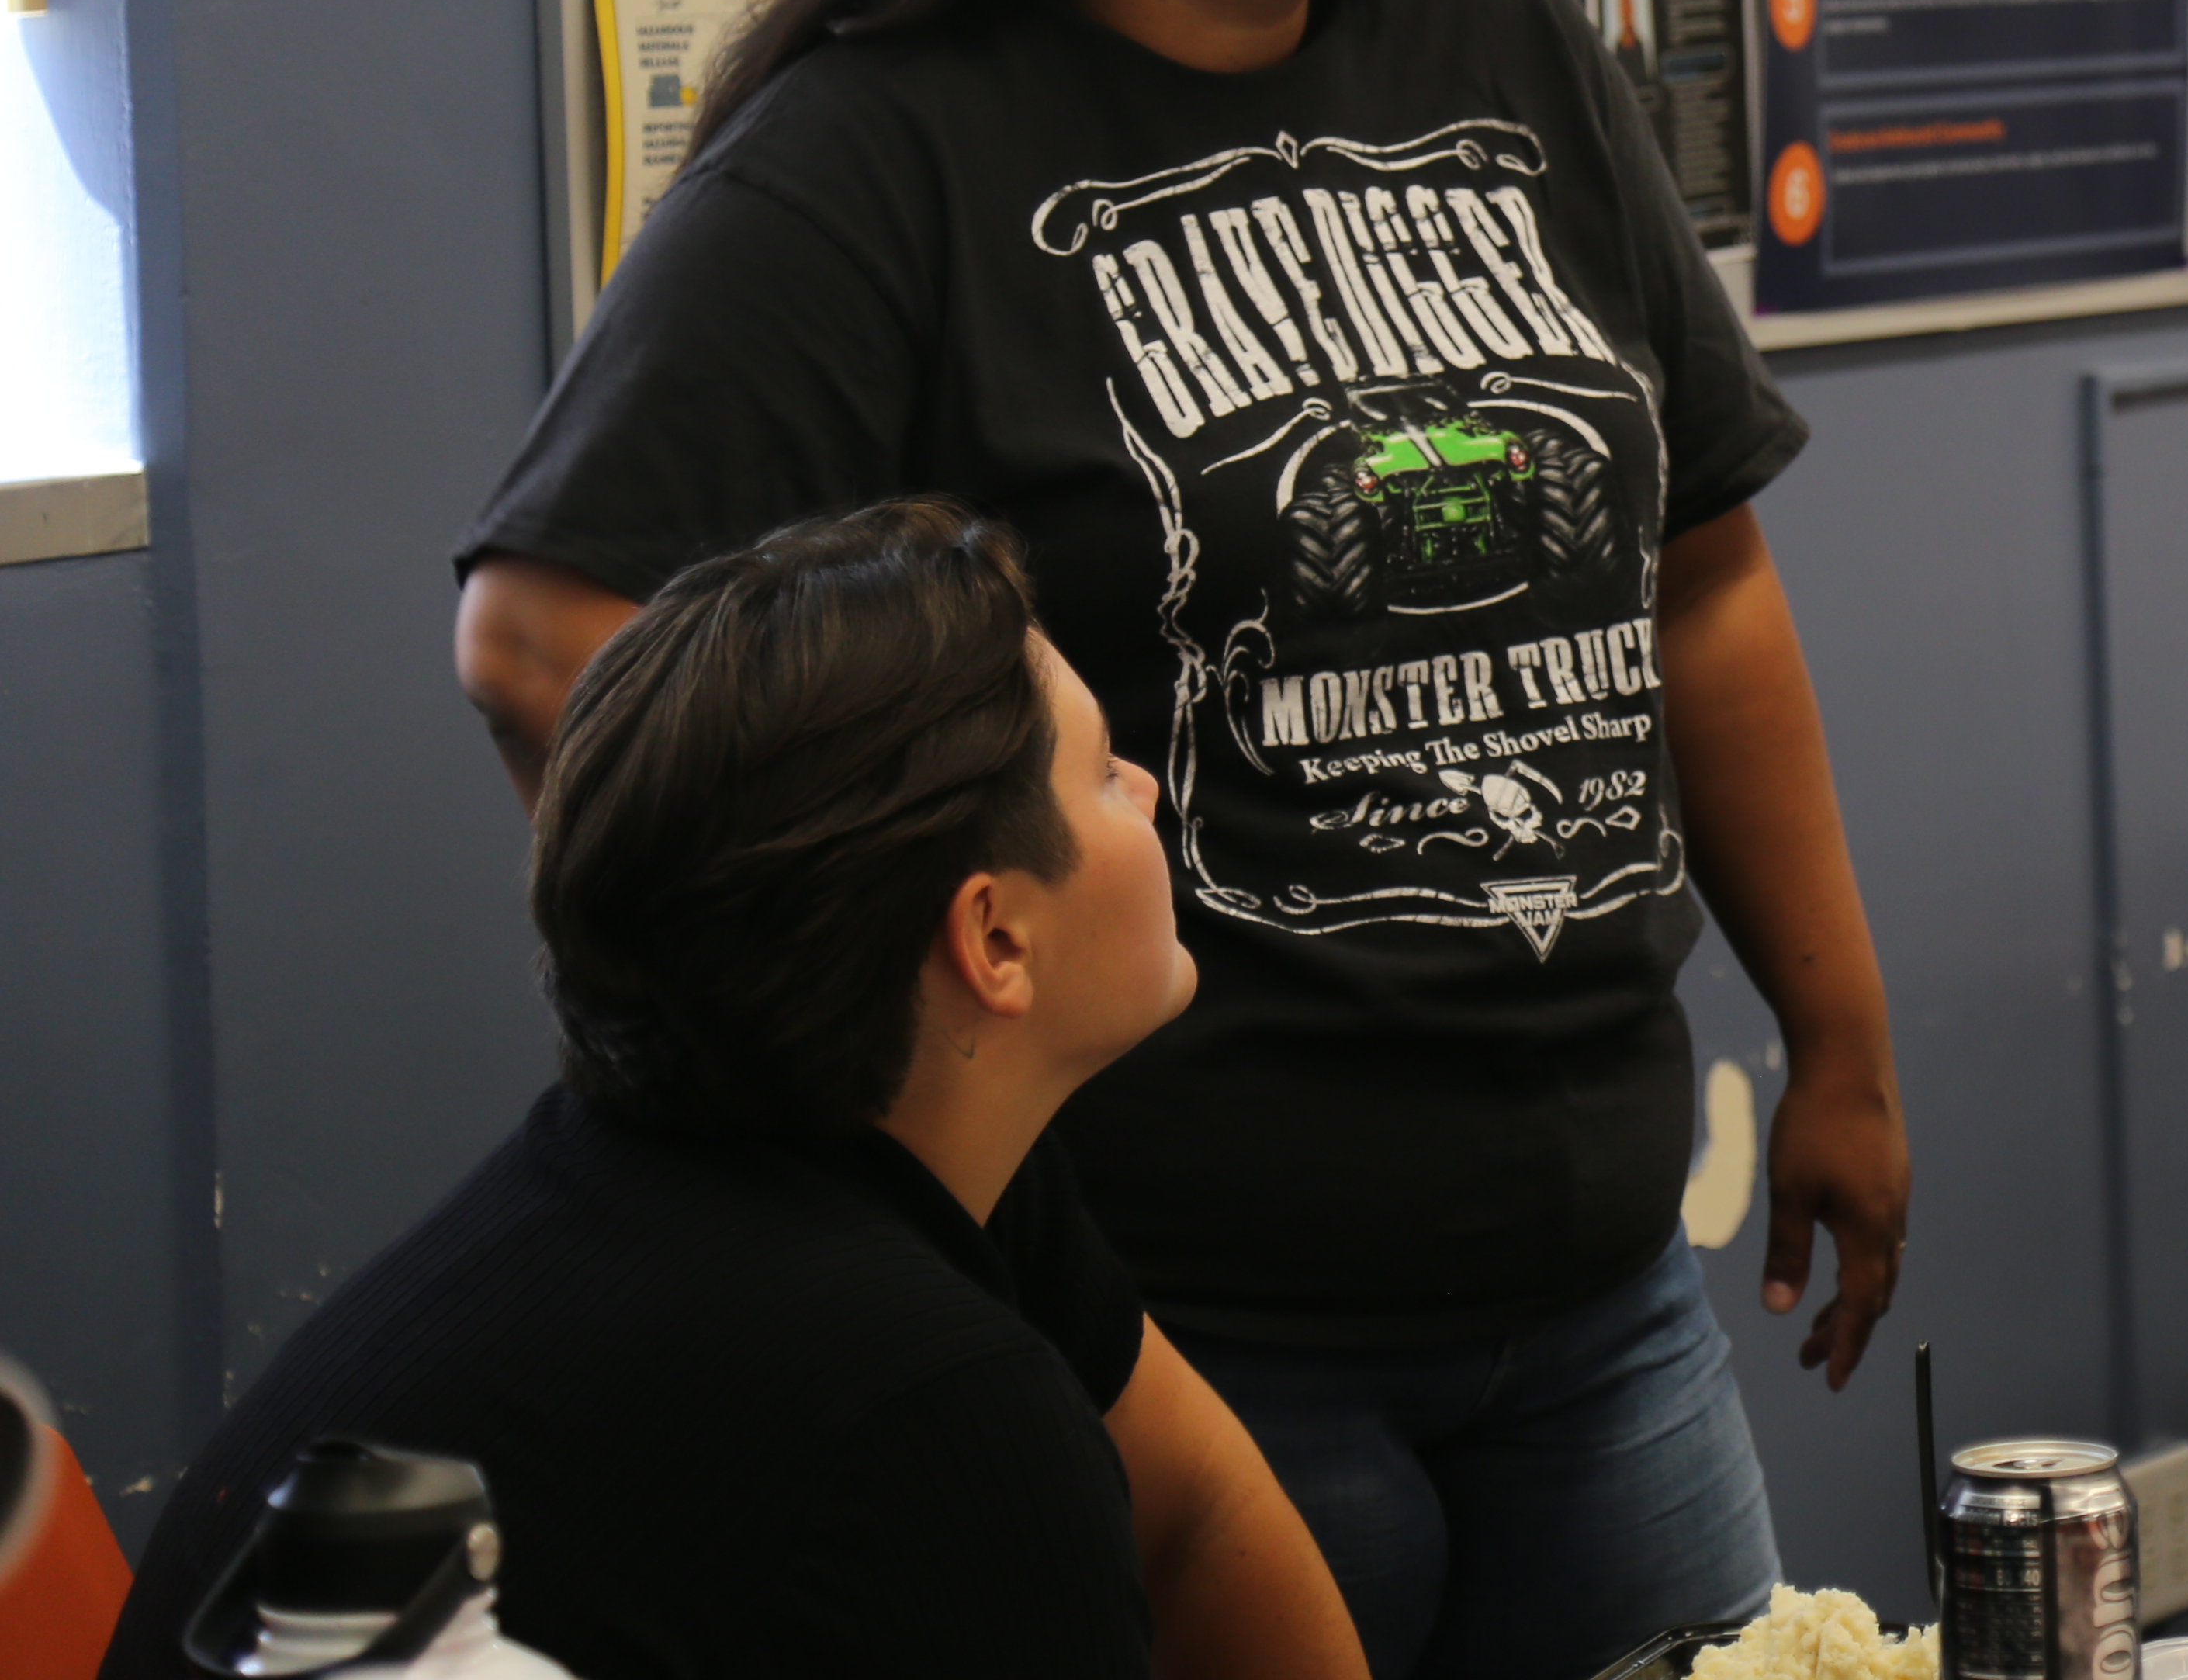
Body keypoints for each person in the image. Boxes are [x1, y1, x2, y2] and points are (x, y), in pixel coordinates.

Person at [449, 0, 1906, 1678]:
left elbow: (1700, 579)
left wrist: (1843, 1039)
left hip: (1601, 1289)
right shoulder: (886, 145)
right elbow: (546, 641)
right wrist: (867, 1068)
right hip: (1189, 1320)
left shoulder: (1507, 44)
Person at [103, 501, 1362, 1680]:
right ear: (994, 941)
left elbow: (1201, 1517)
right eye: (1098, 775)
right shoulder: (924, 1408)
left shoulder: (797, 1150)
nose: (1147, 787)